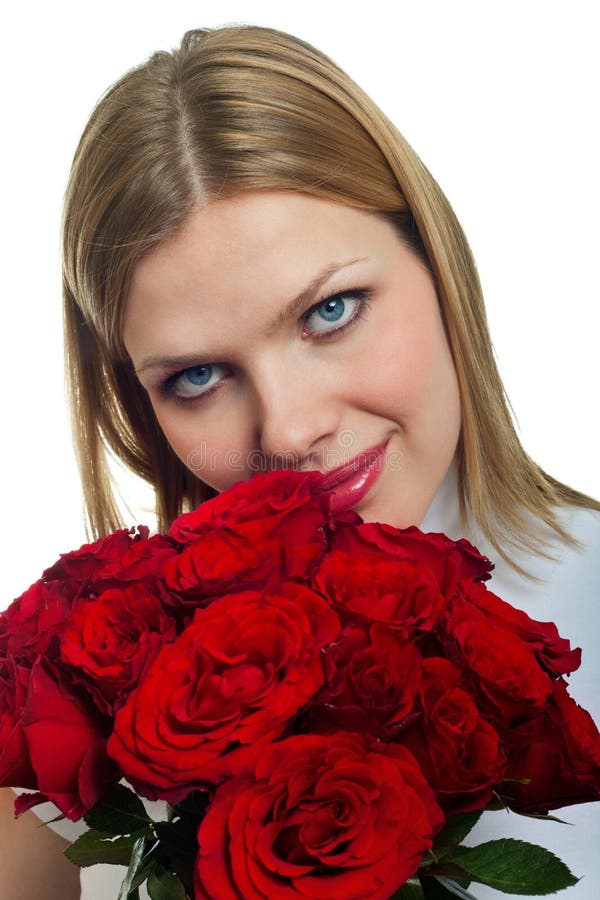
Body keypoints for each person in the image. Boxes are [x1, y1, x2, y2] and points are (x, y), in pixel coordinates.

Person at [2, 22, 599, 899]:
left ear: (437, 259)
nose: (288, 432)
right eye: (198, 376)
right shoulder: (75, 721)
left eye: (330, 312)